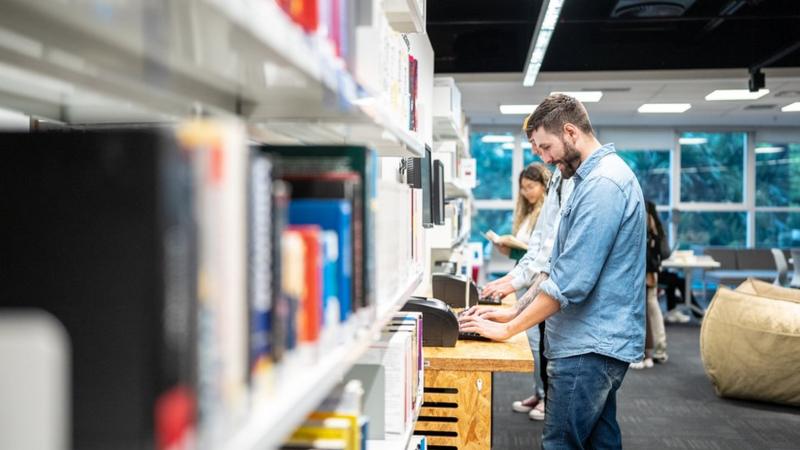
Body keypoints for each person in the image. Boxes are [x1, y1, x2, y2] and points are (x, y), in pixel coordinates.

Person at [460, 93, 646, 449]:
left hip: (589, 346)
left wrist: (511, 328)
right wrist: (513, 310)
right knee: (599, 442)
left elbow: (570, 282)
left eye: (546, 147)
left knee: (560, 443)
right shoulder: (582, 180)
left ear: (571, 132)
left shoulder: (602, 185)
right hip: (590, 344)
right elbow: (553, 265)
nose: (544, 159)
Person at [473, 114, 575, 422]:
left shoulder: (581, 183)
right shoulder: (557, 182)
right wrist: (510, 284)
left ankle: (547, 399)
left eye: (543, 146)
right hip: (536, 282)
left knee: (547, 354)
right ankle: (542, 395)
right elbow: (537, 253)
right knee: (539, 348)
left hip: (556, 295)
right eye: (534, 147)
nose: (540, 155)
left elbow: (550, 257)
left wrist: (512, 312)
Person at [631, 200, 669, 369]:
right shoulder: (655, 223)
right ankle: (659, 349)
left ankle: (646, 353)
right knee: (652, 309)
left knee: (644, 311)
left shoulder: (644, 218)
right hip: (652, 273)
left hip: (644, 273)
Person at [494, 163, 551, 263]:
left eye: (531, 187)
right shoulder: (529, 214)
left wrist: (512, 252)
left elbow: (541, 255)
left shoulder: (546, 213)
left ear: (543, 186)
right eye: (523, 188)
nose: (527, 192)